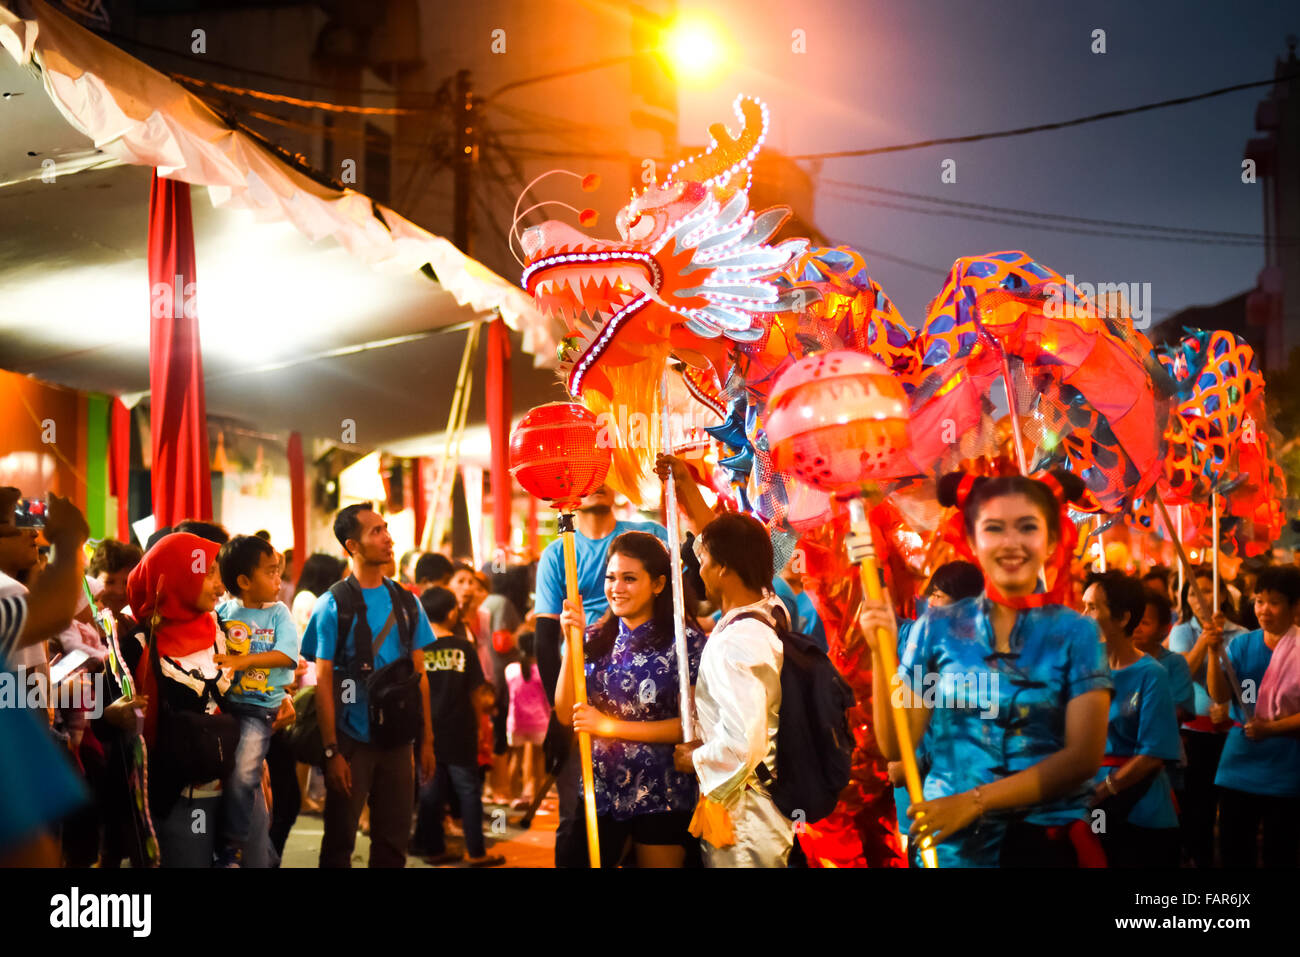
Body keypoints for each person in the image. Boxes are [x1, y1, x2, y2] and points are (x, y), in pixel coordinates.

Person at [862, 470, 1111, 867]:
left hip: (1039, 843)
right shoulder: (935, 629)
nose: (1010, 544)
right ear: (974, 540)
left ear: (1050, 541)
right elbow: (897, 745)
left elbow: (1082, 757)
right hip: (948, 846)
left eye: (1026, 527)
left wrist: (975, 802)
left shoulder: (1076, 633)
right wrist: (880, 651)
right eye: (995, 528)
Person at [532, 484, 668, 867]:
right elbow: (544, 640)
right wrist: (556, 719)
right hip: (582, 683)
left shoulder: (646, 536)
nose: (617, 588)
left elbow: (684, 592)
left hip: (649, 682)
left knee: (653, 815)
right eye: (612, 578)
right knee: (580, 815)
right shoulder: (558, 552)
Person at [557, 531, 706, 867]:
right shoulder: (594, 638)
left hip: (661, 794)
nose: (616, 587)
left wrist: (609, 726)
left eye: (629, 578)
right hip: (600, 793)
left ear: (657, 584)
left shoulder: (685, 644)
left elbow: (691, 726)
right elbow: (567, 713)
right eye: (611, 578)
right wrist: (572, 643)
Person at [301, 503, 437, 868]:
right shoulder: (332, 605)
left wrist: (426, 740)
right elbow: (324, 684)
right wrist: (332, 753)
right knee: (339, 842)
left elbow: (419, 676)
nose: (387, 538)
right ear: (353, 546)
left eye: (386, 528)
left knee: (393, 844)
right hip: (351, 741)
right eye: (376, 531)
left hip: (398, 741)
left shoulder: (408, 602)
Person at [671, 512, 790, 867]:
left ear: (724, 567)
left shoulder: (737, 641)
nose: (699, 570)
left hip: (746, 816)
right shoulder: (769, 608)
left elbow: (743, 745)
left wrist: (694, 759)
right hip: (756, 803)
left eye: (704, 560)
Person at [1081, 571, 1181, 868]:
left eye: (1093, 607)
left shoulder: (1152, 674)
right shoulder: (1083, 666)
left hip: (1138, 804)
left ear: (1123, 618)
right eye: (1083, 605)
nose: (1083, 615)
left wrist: (1104, 790)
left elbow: (1153, 754)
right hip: (1090, 804)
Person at [212, 535, 300, 867]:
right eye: (271, 572)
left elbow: (286, 655)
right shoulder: (222, 611)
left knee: (246, 771)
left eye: (279, 571)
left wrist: (242, 661)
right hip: (225, 705)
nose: (279, 580)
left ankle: (232, 847)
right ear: (244, 581)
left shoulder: (279, 613)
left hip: (259, 708)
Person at [889, 560, 984, 863]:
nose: (931, 603)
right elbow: (888, 626)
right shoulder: (920, 637)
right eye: (931, 595)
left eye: (940, 597)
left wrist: (914, 765)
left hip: (953, 802)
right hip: (918, 802)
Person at [1207, 565, 1300, 867]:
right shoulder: (1242, 644)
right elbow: (1220, 696)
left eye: (1274, 602)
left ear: (1295, 606)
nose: (1264, 610)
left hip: (1287, 767)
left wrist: (1271, 729)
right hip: (1239, 763)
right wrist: (1212, 652)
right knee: (1233, 851)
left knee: (1280, 853)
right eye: (1259, 600)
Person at [411, 586, 506, 866]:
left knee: (430, 793)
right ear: (453, 612)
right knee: (468, 792)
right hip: (460, 731)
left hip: (426, 732)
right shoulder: (464, 647)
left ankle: (434, 849)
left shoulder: (419, 649)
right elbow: (477, 692)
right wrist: (480, 727)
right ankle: (477, 852)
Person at [1167, 570, 1247, 867]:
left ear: (1222, 595)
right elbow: (1181, 676)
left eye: (1205, 590)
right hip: (1194, 733)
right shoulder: (1180, 632)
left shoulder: (1241, 635)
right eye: (1191, 592)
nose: (1198, 598)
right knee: (1196, 808)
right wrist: (1204, 639)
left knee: (1231, 808)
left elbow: (1247, 687)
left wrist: (1233, 705)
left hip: (1231, 733)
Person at [1132, 589, 1194, 723]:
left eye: (1145, 623)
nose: (1136, 627)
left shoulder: (1174, 663)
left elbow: (1182, 710)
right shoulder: (1117, 660)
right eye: (1133, 620)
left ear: (1163, 629)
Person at [504, 631, 549, 808]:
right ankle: (536, 798)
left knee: (515, 759)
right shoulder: (540, 672)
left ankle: (512, 796)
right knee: (538, 760)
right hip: (539, 721)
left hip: (516, 722)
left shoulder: (511, 670)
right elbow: (546, 698)